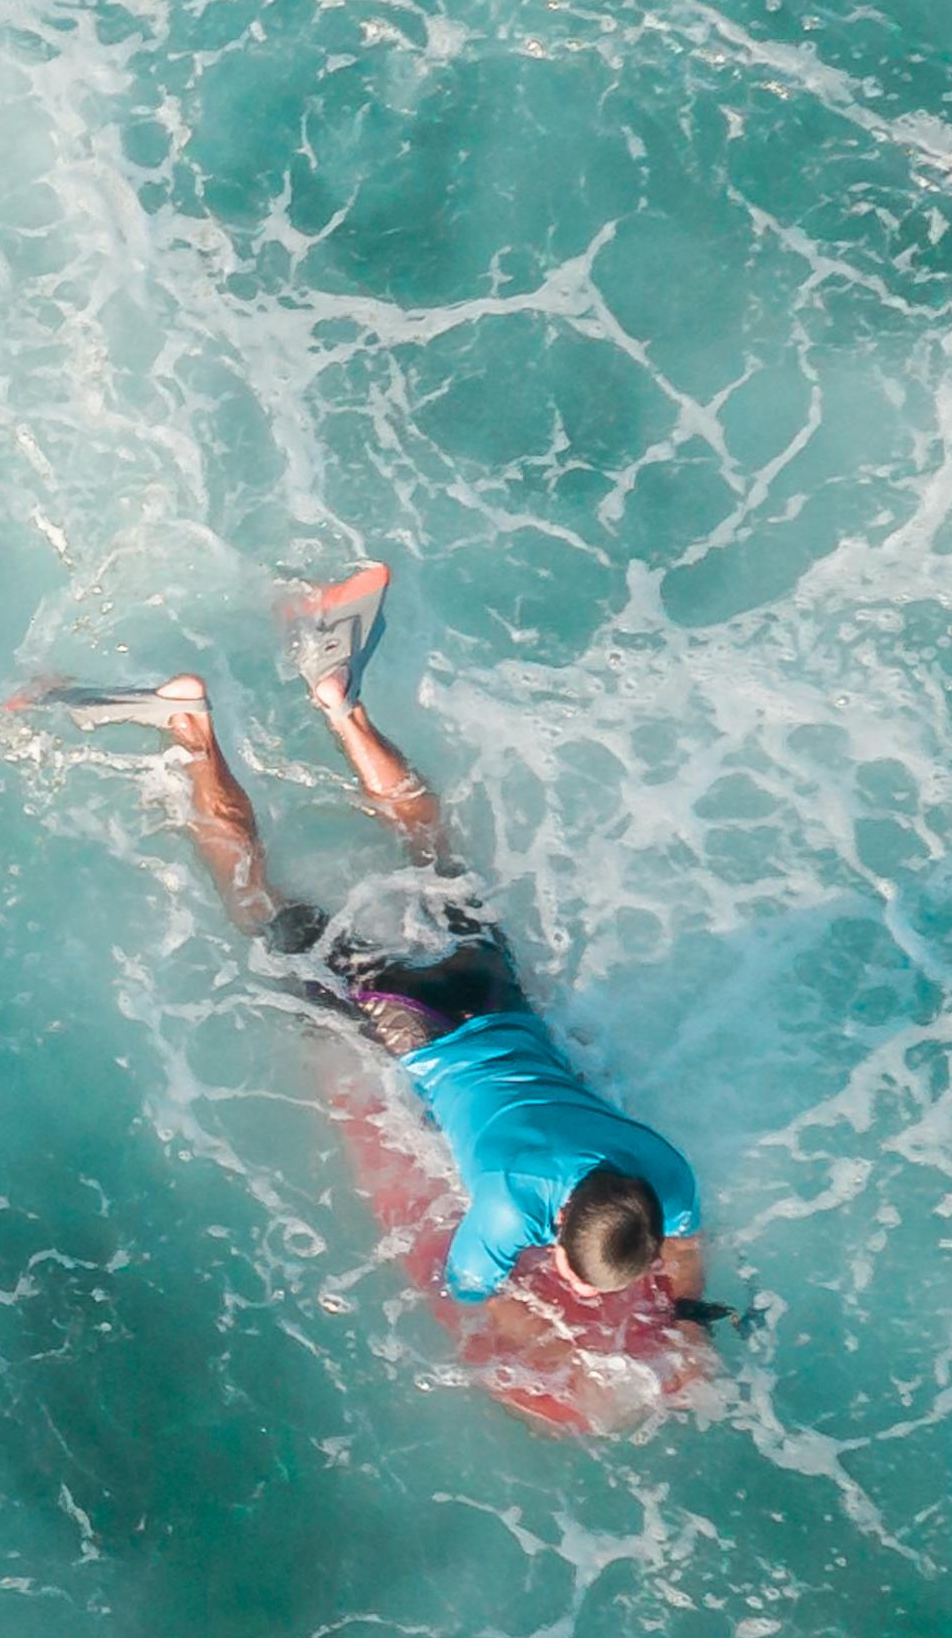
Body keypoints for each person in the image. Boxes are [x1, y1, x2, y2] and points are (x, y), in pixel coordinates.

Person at [35, 563, 705, 1373]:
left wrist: (689, 1307)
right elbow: (476, 1299)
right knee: (258, 906)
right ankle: (192, 732)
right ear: (558, 1231)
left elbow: (686, 1232)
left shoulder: (663, 1170)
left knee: (435, 851)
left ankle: (339, 704)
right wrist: (558, 1347)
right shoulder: (503, 1209)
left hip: (486, 992)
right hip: (406, 1026)